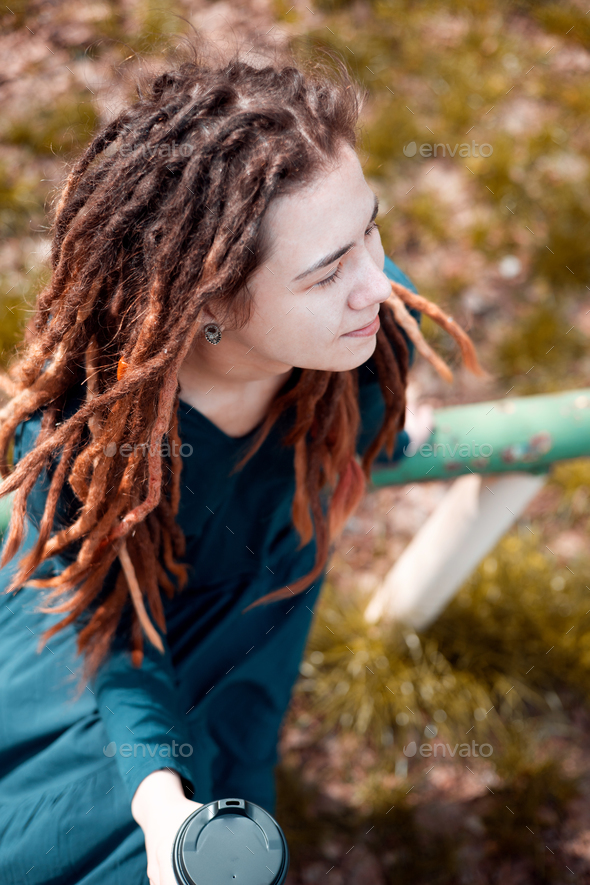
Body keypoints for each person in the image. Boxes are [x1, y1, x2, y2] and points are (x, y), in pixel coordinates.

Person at [0, 40, 484, 885]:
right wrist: (158, 802)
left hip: (259, 638)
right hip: (103, 661)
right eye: (329, 269)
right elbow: (113, 636)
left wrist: (382, 432)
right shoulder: (81, 446)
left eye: (370, 228)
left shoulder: (368, 339)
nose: (379, 283)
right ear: (209, 304)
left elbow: (369, 362)